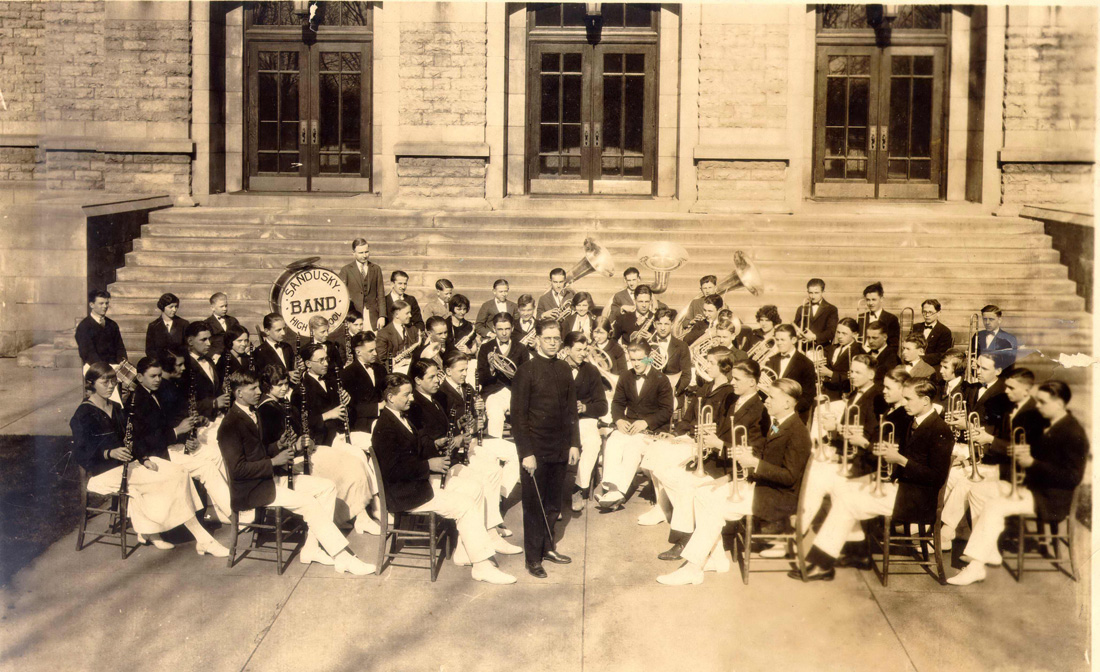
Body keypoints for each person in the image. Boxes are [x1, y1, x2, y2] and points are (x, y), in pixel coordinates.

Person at [791, 377, 953, 581]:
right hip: (901, 489)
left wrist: (901, 460)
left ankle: (823, 563)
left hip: (917, 500)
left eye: (909, 399)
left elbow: (937, 477)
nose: (904, 403)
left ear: (926, 401)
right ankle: (852, 555)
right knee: (844, 494)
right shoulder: (911, 419)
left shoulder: (940, 430)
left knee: (847, 502)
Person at [657, 377, 811, 585]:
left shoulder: (797, 432)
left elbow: (789, 477)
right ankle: (716, 558)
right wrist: (729, 477)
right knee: (703, 493)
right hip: (762, 487)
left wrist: (754, 463)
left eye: (771, 398)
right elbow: (766, 460)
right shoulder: (779, 424)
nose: (766, 401)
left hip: (777, 498)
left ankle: (693, 568)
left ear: (787, 403)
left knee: (714, 506)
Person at [219, 371, 375, 575]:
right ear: (239, 393)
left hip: (268, 479)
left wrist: (278, 445)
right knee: (309, 503)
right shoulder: (229, 425)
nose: (259, 392)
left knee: (326, 487)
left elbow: (258, 452)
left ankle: (311, 549)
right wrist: (273, 461)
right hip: (253, 490)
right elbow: (238, 470)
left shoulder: (251, 413)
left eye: (258, 387)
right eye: (253, 389)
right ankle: (342, 557)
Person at [373, 373, 519, 584]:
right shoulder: (385, 428)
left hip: (415, 485)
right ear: (390, 397)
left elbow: (418, 446)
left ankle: (463, 552)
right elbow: (393, 470)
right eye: (406, 395)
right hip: (406, 494)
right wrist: (428, 465)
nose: (412, 399)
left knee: (475, 488)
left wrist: (439, 444)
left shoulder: (399, 417)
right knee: (465, 504)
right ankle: (482, 565)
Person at [72, 362, 229, 556]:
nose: (111, 386)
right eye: (104, 382)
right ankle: (204, 539)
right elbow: (80, 452)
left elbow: (133, 439)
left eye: (113, 381)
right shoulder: (83, 414)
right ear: (91, 384)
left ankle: (150, 530)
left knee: (179, 472)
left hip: (128, 466)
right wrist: (108, 453)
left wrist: (144, 458)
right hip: (104, 472)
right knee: (168, 480)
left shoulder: (115, 408)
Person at [947, 380, 1088, 586]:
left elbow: (1072, 477)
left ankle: (976, 567)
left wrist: (1033, 463)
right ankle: (990, 550)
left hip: (1051, 499)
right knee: (978, 490)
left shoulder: (1072, 432)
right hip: (1031, 489)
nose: (1037, 405)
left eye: (1042, 402)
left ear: (1058, 404)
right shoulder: (1050, 425)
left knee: (995, 505)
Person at [256, 364, 380, 536]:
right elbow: (267, 448)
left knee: (354, 461)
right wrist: (293, 445)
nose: (284, 388)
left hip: (307, 451)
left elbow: (301, 430)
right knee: (346, 469)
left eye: (286, 383)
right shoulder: (265, 410)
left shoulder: (283, 403)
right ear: (267, 386)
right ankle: (351, 517)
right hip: (289, 462)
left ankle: (357, 515)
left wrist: (306, 440)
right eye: (279, 385)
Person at [407, 358, 514, 554]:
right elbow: (423, 442)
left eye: (437, 376)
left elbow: (443, 427)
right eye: (431, 377)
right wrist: (453, 440)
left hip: (450, 459)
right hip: (437, 468)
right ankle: (487, 535)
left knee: (490, 474)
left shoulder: (435, 398)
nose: (437, 381)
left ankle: (488, 531)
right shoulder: (415, 405)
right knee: (481, 480)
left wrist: (461, 426)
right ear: (418, 380)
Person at [644, 349, 742, 561]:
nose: (706, 365)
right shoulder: (705, 388)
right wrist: (677, 433)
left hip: (705, 447)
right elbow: (688, 418)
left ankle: (681, 532)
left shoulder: (729, 394)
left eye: (710, 362)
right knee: (656, 455)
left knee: (669, 472)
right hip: (690, 438)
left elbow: (722, 429)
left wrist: (698, 435)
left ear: (723, 367)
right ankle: (667, 510)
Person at [509, 320, 581, 578]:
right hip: (535, 451)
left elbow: (572, 410)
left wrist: (574, 443)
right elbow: (518, 417)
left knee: (553, 504)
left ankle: (548, 547)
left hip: (561, 448)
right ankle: (533, 558)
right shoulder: (526, 371)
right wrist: (526, 453)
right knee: (534, 505)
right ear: (537, 339)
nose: (552, 342)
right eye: (547, 338)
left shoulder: (564, 368)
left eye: (556, 338)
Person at [129, 356, 234, 525]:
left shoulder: (154, 393)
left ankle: (218, 510)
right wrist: (177, 431)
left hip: (170, 447)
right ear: (140, 378)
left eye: (159, 375)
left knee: (215, 455)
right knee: (206, 467)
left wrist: (184, 438)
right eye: (153, 376)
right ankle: (234, 513)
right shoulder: (138, 401)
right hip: (156, 456)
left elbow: (165, 426)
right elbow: (146, 440)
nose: (158, 380)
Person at [596, 341, 674, 510]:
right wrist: (619, 420)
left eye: (640, 359)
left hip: (650, 430)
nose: (636, 363)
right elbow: (617, 404)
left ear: (649, 359)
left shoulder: (661, 379)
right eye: (633, 360)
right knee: (614, 441)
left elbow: (667, 411)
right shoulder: (626, 376)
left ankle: (616, 493)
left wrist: (646, 422)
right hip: (629, 427)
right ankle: (612, 489)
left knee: (632, 447)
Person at [560, 332, 609, 512]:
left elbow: (602, 406)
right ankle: (553, 494)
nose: (583, 353)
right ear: (566, 350)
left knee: (592, 443)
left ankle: (578, 488)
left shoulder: (591, 371)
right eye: (578, 350)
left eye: (585, 349)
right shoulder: (556, 368)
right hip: (559, 420)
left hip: (584, 420)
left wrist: (585, 408)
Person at [477, 312, 530, 438]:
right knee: (495, 413)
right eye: (500, 329)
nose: (504, 333)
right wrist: (491, 369)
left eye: (507, 329)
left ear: (512, 328)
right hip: (493, 392)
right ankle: (494, 451)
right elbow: (481, 378)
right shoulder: (485, 348)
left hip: (515, 392)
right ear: (494, 329)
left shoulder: (521, 348)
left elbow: (527, 376)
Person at [291, 342, 350, 448]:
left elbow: (343, 411)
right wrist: (327, 415)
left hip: (341, 433)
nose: (326, 364)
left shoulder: (332, 381)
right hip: (323, 441)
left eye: (326, 359)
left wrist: (347, 401)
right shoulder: (300, 390)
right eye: (321, 360)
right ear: (308, 363)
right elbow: (301, 424)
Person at [764, 324, 816, 424]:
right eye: (777, 339)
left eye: (782, 340)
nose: (779, 343)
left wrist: (787, 410)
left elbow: (808, 397)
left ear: (793, 340)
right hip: (771, 414)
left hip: (794, 416)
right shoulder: (771, 360)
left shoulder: (806, 363)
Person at [342, 331, 388, 433]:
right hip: (362, 423)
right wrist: (378, 407)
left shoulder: (380, 369)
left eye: (375, 349)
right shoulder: (348, 373)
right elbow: (351, 407)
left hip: (384, 417)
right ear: (358, 352)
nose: (375, 353)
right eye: (371, 351)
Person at [183, 321, 230, 421]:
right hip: (199, 421)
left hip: (217, 417)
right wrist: (213, 403)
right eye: (203, 340)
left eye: (209, 339)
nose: (209, 343)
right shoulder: (184, 365)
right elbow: (183, 403)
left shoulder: (208, 360)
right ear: (190, 341)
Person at [338, 238, 387, 331]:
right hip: (355, 317)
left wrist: (382, 316)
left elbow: (381, 295)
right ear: (353, 253)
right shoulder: (346, 270)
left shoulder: (376, 269)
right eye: (361, 253)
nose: (365, 255)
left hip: (373, 316)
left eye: (366, 252)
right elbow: (341, 295)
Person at [75, 289, 127, 370]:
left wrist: (121, 363)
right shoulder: (84, 327)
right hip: (95, 368)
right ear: (91, 305)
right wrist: (105, 369)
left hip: (115, 367)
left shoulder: (112, 324)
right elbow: (88, 353)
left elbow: (120, 347)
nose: (105, 306)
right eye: (101, 303)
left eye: (106, 303)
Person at [820, 317, 864, 400]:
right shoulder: (832, 348)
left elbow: (855, 378)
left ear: (855, 334)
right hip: (826, 393)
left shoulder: (859, 351)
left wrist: (830, 374)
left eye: (844, 333)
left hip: (843, 395)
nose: (839, 336)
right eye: (838, 332)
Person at [254, 313, 300, 385]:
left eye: (284, 328)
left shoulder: (287, 347)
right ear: (267, 331)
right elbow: (264, 377)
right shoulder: (260, 352)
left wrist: (299, 368)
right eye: (278, 330)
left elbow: (292, 369)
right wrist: (287, 375)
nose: (283, 333)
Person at [792, 278, 838, 348]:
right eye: (810, 293)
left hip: (821, 347)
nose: (813, 296)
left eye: (816, 293)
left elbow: (831, 332)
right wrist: (797, 332)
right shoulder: (801, 308)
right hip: (803, 347)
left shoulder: (831, 309)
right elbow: (797, 327)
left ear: (823, 292)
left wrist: (814, 337)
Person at [376, 300, 420, 373]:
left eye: (410, 312)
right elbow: (381, 360)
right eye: (407, 313)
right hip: (394, 372)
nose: (410, 316)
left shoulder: (413, 329)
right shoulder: (383, 333)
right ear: (397, 315)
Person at [145, 293, 189, 359]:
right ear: (163, 307)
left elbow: (188, 348)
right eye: (171, 307)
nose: (174, 310)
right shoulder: (153, 326)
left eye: (176, 306)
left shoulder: (183, 324)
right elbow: (149, 350)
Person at [858, 282, 900, 348]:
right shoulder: (861, 317)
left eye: (874, 300)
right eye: (868, 300)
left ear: (881, 299)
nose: (870, 303)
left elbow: (893, 345)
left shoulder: (891, 319)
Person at [914, 299, 953, 368]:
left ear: (938, 313)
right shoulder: (915, 327)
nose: (927, 315)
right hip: (914, 363)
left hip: (933, 366)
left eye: (930, 312)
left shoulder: (944, 331)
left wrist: (920, 359)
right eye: (924, 312)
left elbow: (941, 355)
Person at [305, 316, 344, 381]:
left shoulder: (332, 346)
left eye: (327, 331)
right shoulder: (305, 349)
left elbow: (339, 366)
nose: (326, 334)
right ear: (313, 331)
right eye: (323, 332)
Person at [204, 292, 240, 359]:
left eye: (226, 306)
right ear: (212, 308)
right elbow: (205, 344)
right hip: (216, 356)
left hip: (234, 356)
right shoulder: (207, 323)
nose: (225, 309)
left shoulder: (233, 321)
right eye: (221, 306)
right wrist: (213, 355)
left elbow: (240, 337)